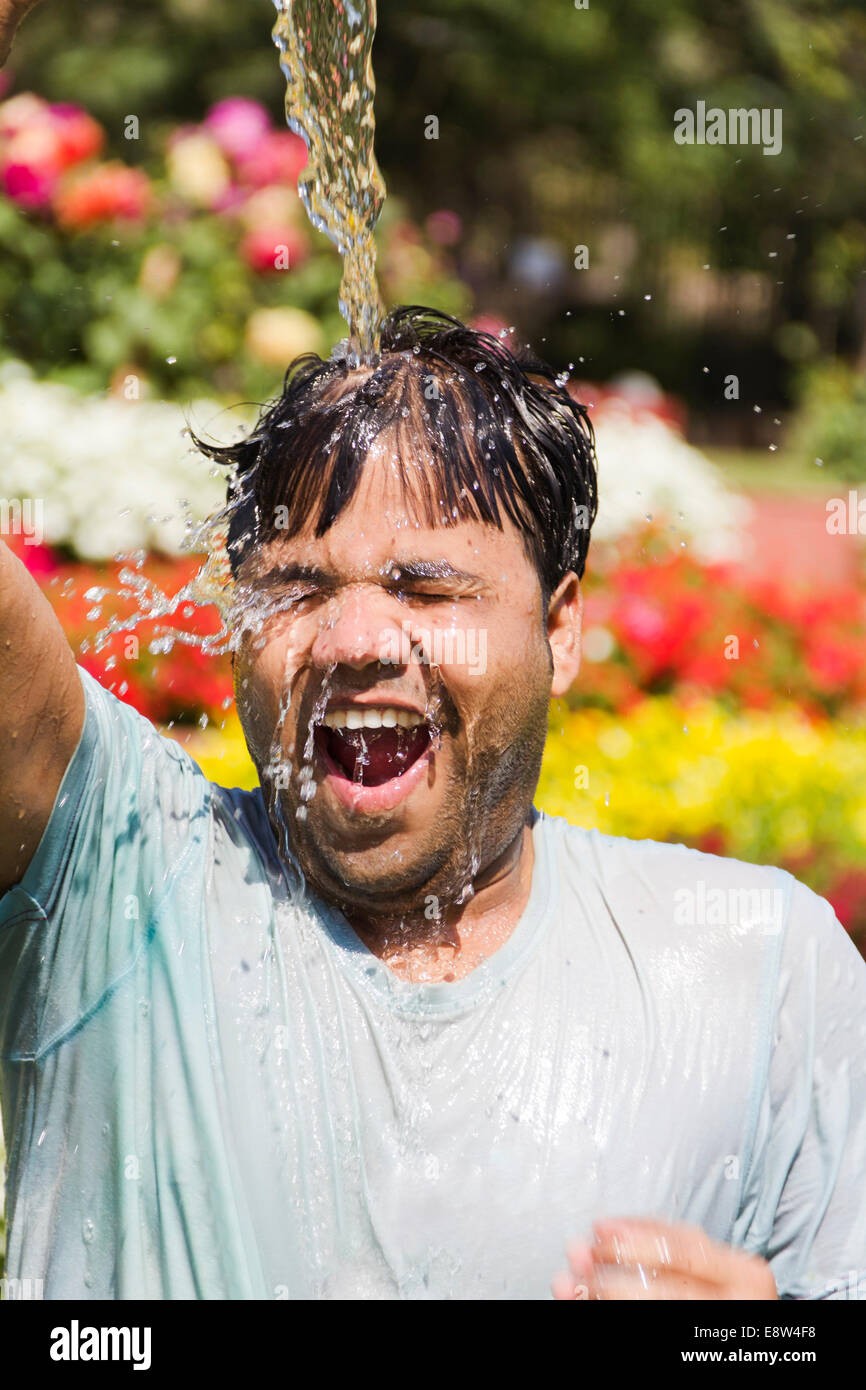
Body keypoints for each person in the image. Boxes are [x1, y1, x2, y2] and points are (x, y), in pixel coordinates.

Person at [1, 306, 864, 1301]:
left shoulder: (759, 971)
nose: (354, 638)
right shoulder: (111, 888)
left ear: (559, 625)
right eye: (293, 588)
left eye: (425, 588)